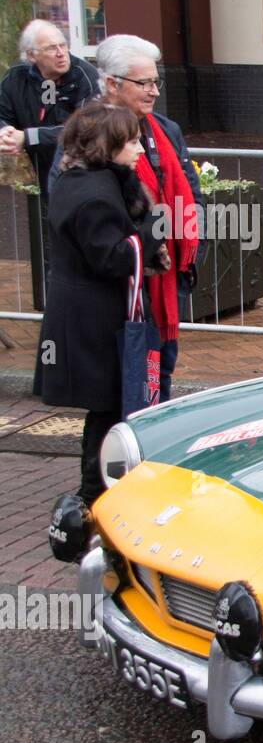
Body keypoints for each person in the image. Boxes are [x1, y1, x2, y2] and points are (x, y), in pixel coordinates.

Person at [34, 101, 168, 504]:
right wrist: (152, 231)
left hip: (89, 312)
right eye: (131, 142)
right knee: (106, 408)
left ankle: (105, 491)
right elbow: (111, 257)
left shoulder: (84, 181)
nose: (141, 149)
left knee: (110, 408)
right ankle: (92, 497)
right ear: (106, 146)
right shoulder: (93, 195)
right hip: (92, 318)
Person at [83, 34, 202, 404]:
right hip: (120, 285)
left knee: (159, 373)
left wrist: (188, 254)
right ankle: (119, 460)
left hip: (165, 279)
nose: (153, 91)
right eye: (144, 83)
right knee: (117, 392)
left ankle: (151, 454)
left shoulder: (166, 130)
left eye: (156, 81)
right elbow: (82, 213)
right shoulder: (88, 134)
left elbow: (191, 194)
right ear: (112, 83)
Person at [0, 20, 99, 197]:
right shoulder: (16, 77)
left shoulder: (85, 76)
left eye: (63, 45)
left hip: (84, 173)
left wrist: (28, 137)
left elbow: (86, 129)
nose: (61, 53)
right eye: (52, 48)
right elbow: (2, 114)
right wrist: (5, 132)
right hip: (43, 172)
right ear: (31, 56)